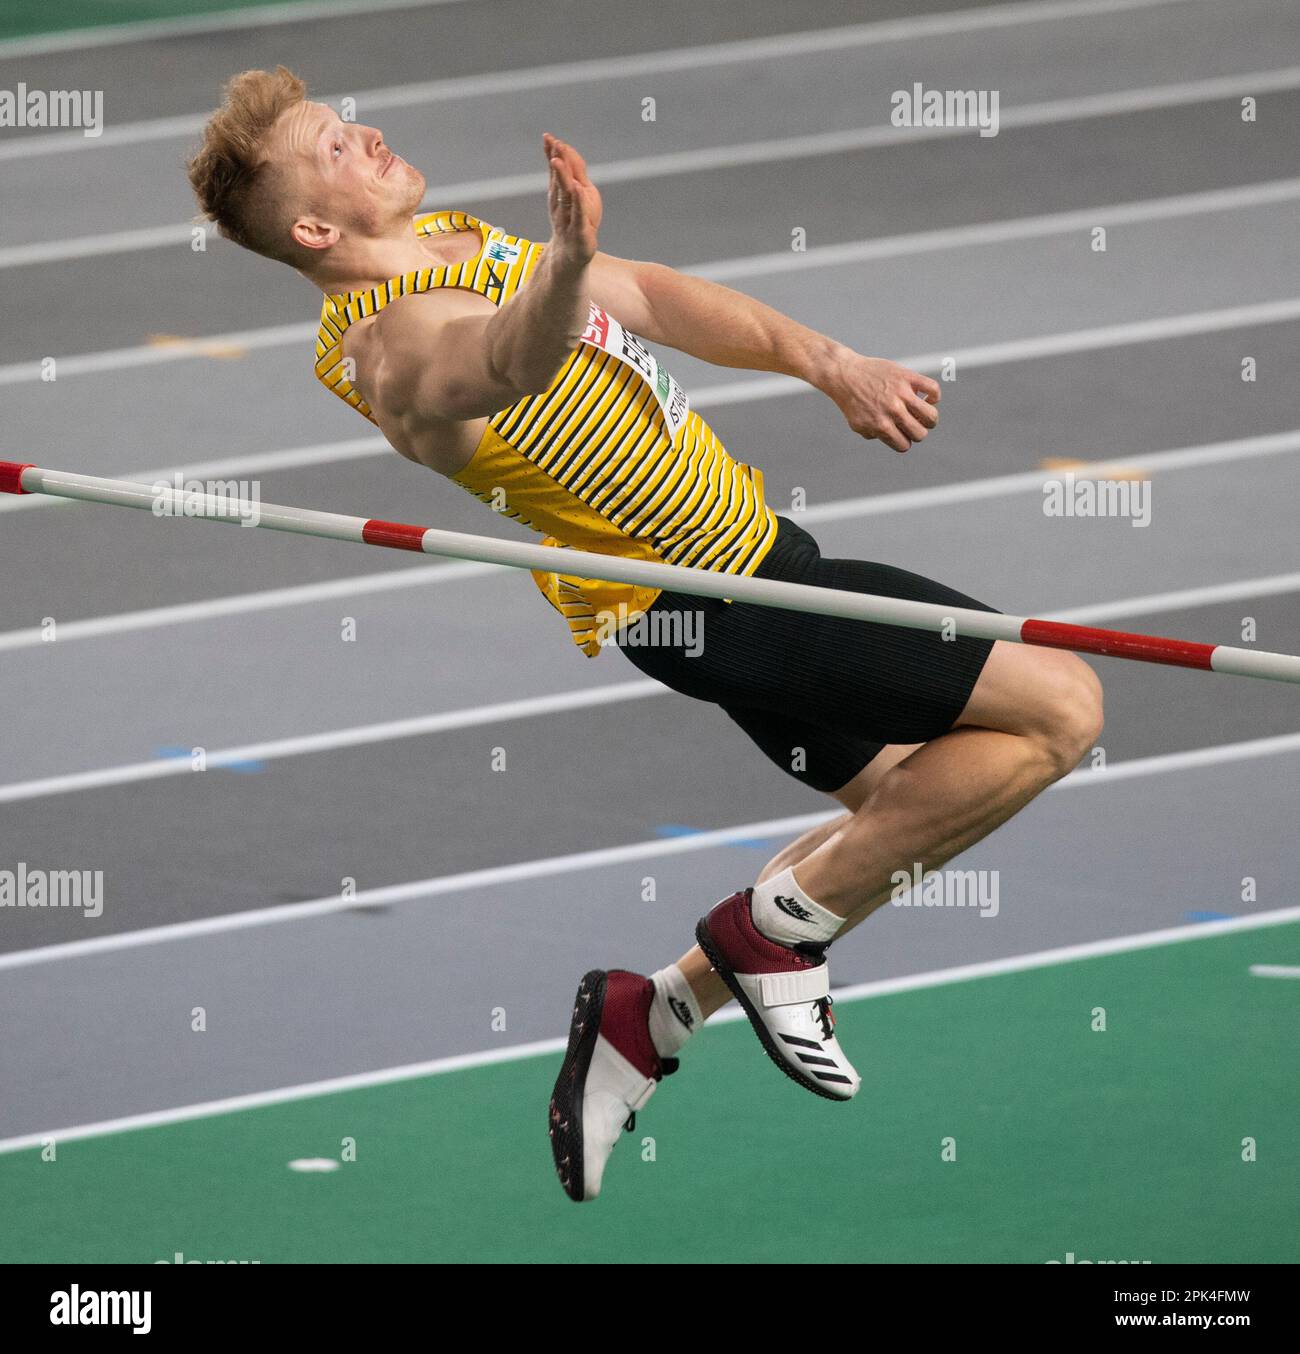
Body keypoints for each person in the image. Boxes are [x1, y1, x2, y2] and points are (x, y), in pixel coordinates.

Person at [188, 67, 1103, 1202]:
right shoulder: (389, 354)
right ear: (316, 226)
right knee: (1064, 706)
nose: (368, 134)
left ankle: (655, 1009)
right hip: (709, 599)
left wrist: (831, 364)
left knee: (920, 799)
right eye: (335, 144)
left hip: (760, 563)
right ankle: (771, 936)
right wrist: (566, 262)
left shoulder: (459, 237)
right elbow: (515, 358)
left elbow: (657, 300)